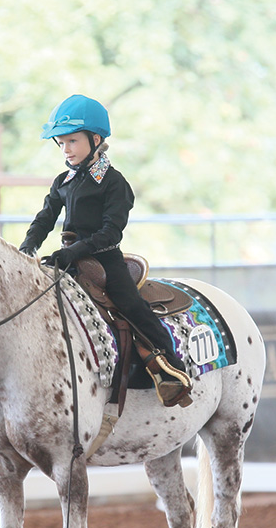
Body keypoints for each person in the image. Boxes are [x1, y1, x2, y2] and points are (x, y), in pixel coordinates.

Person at [19, 94, 192, 408]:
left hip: (105, 259)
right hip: (67, 259)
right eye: (60, 143)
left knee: (133, 306)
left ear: (95, 139)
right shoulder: (63, 181)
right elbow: (46, 217)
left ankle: (173, 369)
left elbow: (111, 232)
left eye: (72, 141)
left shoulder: (114, 183)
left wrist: (75, 252)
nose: (65, 149)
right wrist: (27, 246)